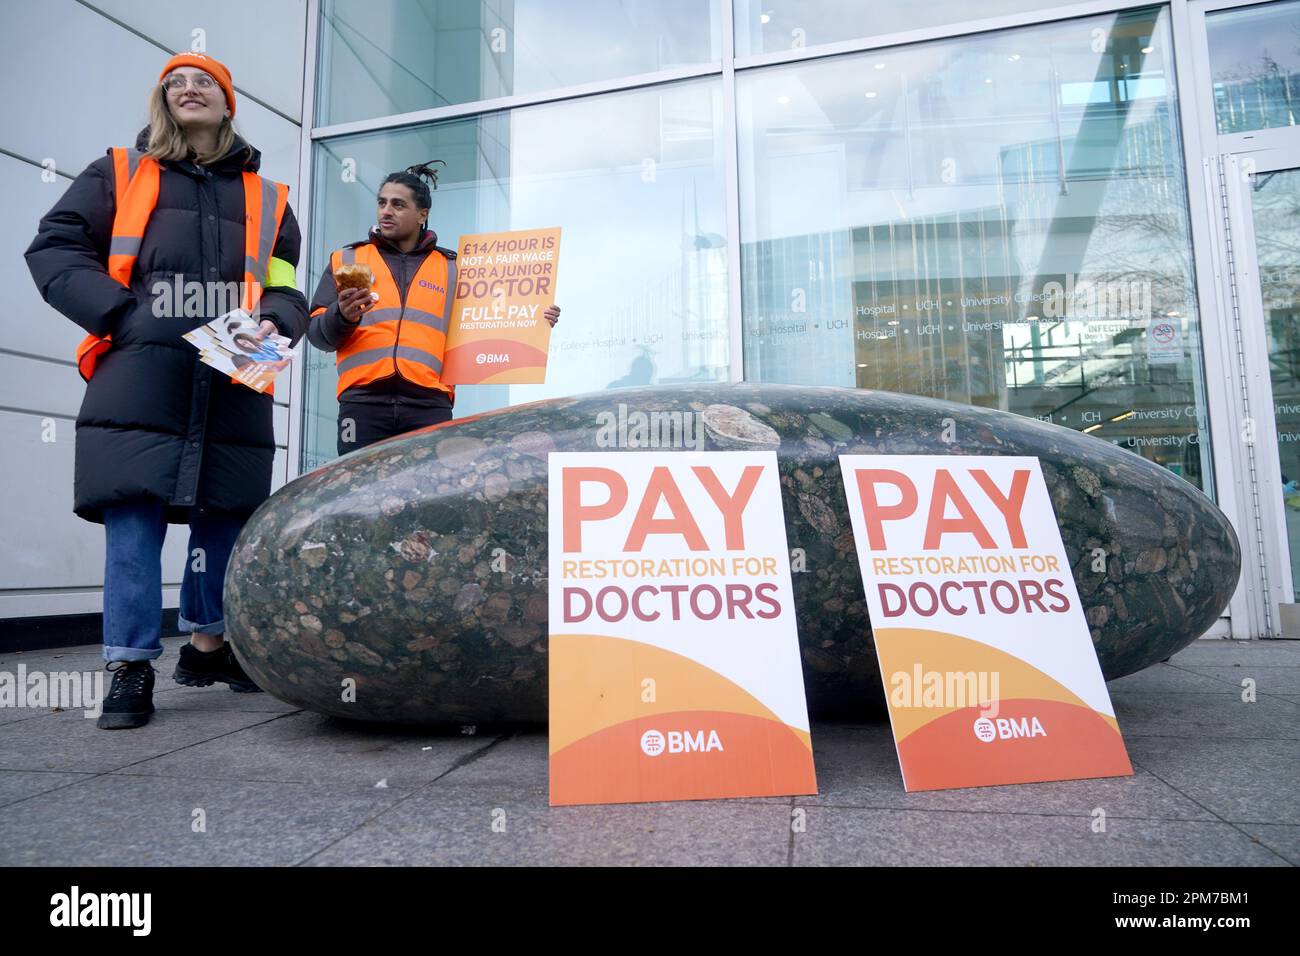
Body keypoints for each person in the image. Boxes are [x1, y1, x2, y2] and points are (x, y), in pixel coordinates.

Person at [25, 52, 309, 729]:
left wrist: (280, 316)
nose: (189, 89)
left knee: (225, 516)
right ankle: (129, 666)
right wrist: (122, 315)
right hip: (139, 375)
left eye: (203, 81)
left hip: (234, 373)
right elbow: (56, 249)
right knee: (135, 518)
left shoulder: (269, 199)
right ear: (163, 103)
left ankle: (209, 645)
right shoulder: (118, 173)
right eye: (175, 83)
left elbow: (283, 279)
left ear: (227, 102)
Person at [308, 161, 560, 456]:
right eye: (382, 203)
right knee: (361, 499)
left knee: (425, 496)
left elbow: (496, 319)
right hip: (362, 405)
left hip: (429, 407)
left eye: (398, 204)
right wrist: (342, 317)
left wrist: (534, 317)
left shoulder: (454, 270)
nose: (386, 211)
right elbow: (316, 334)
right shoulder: (347, 259)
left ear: (422, 214)